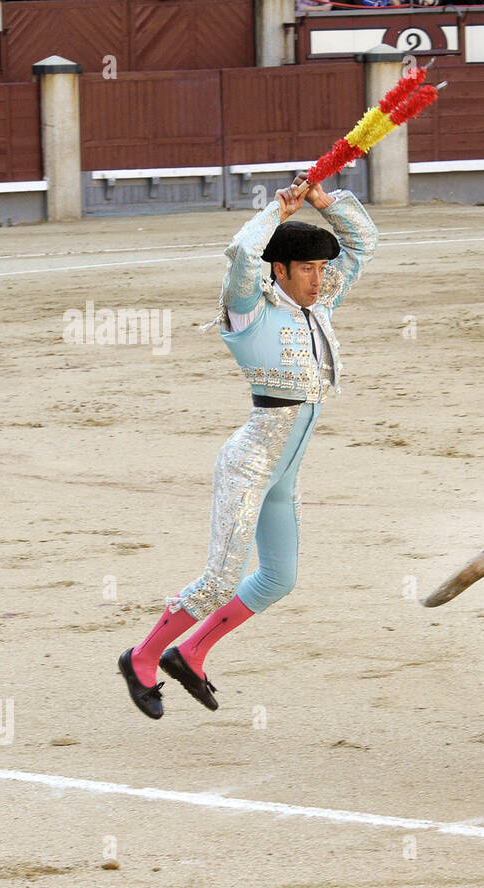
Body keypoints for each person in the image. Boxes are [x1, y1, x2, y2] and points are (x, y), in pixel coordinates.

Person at [116, 172, 378, 720]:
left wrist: (327, 204)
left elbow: (362, 245)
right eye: (305, 268)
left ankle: (190, 650)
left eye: (320, 268)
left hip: (284, 473)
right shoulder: (249, 310)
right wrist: (276, 214)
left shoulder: (319, 304)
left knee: (280, 578)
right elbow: (241, 252)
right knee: (218, 581)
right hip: (250, 464)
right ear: (277, 269)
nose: (317, 277)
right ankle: (140, 657)